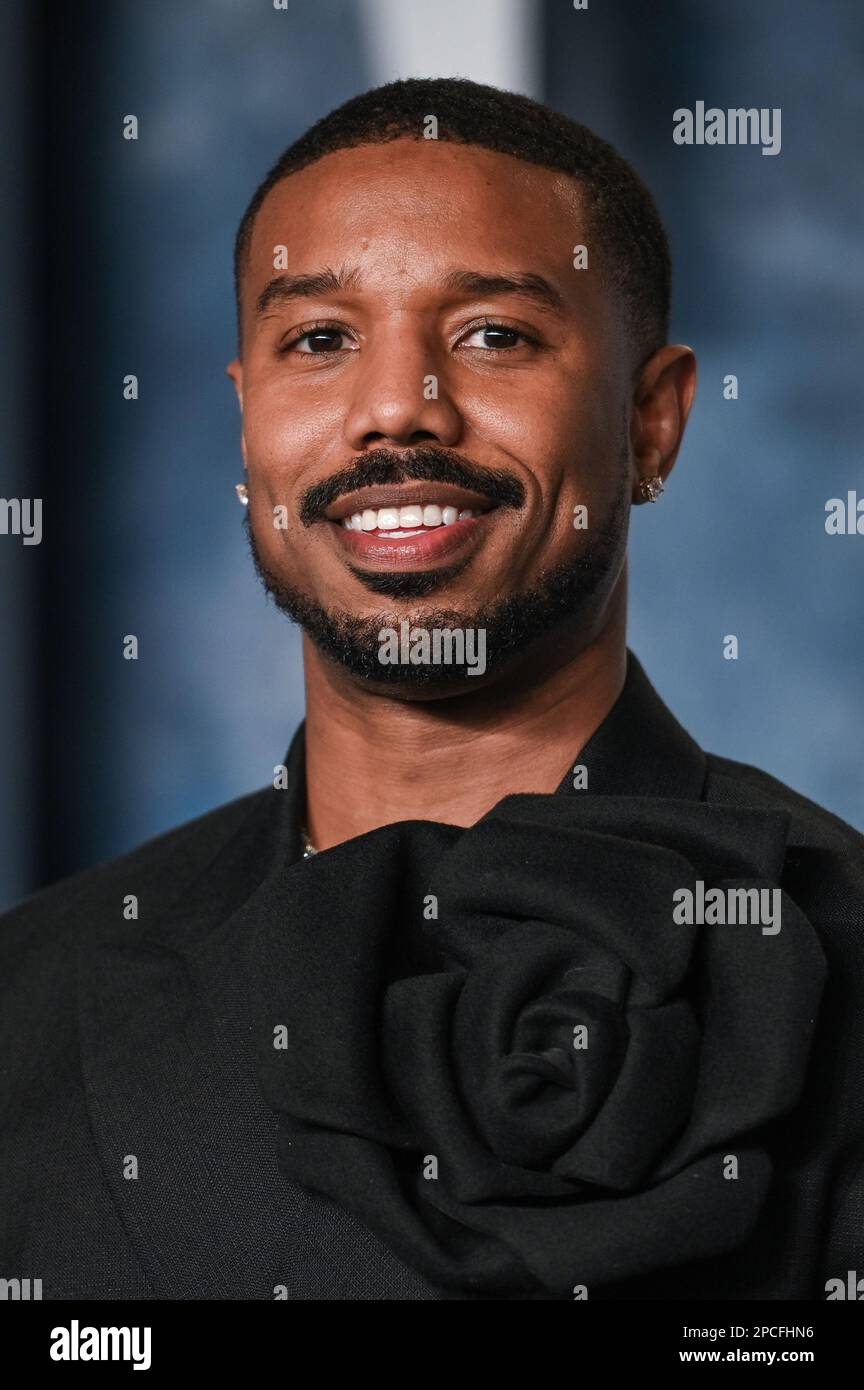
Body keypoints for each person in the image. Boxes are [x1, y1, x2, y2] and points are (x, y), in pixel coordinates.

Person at [1, 78, 862, 1302]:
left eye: (494, 335)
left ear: (653, 422)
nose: (397, 404)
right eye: (319, 339)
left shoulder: (847, 948)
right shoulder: (23, 1001)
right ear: (247, 424)